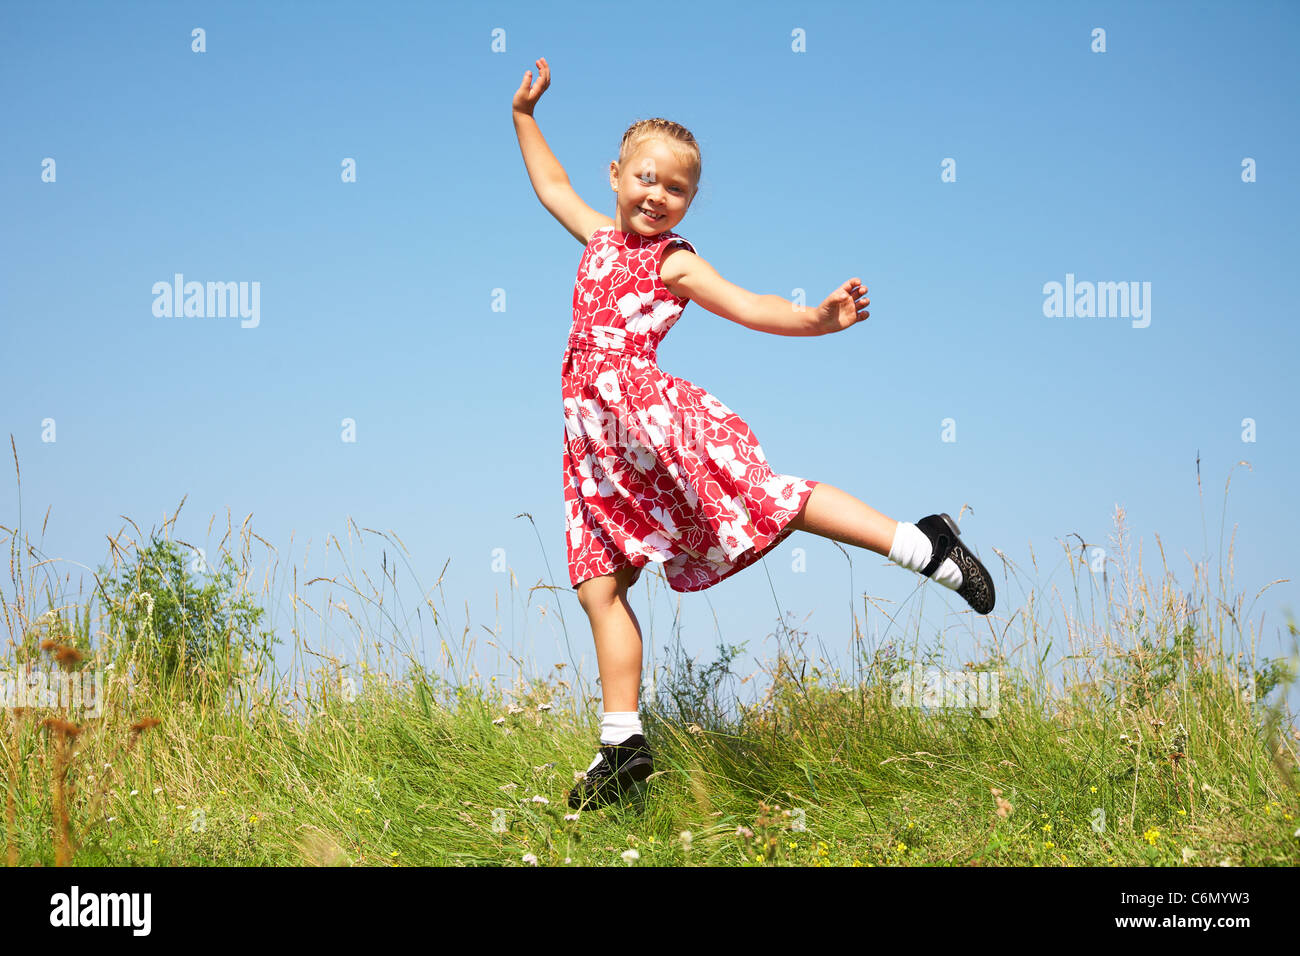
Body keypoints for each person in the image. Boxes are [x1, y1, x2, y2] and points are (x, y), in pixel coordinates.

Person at [510, 57, 996, 810]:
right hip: (595, 449)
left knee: (772, 502)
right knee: (598, 585)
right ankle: (621, 747)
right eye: (644, 179)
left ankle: (922, 545)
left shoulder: (672, 263)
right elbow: (551, 187)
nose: (656, 195)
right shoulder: (599, 239)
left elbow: (749, 305)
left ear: (691, 201)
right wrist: (525, 117)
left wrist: (815, 318)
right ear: (616, 176)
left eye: (675, 188)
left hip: (653, 429)